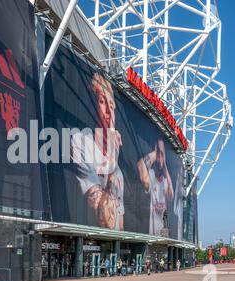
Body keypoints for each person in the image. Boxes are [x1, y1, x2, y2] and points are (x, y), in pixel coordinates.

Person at [71, 73, 124, 231]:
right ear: (93, 106)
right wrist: (113, 158)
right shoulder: (81, 142)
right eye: (102, 101)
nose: (108, 110)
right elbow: (104, 221)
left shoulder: (118, 173)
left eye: (112, 105)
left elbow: (120, 228)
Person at [137, 137, 174, 236]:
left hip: (163, 235)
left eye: (162, 154)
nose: (160, 158)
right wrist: (155, 153)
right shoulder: (151, 174)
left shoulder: (165, 181)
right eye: (158, 154)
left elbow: (171, 195)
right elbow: (140, 165)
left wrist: (164, 165)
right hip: (151, 236)